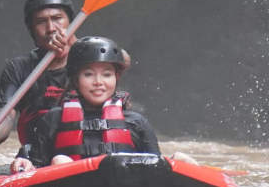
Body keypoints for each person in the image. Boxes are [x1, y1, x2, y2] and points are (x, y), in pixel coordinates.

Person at [11, 36, 159, 173]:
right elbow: (33, 164)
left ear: (116, 78)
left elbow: (158, 167)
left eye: (107, 74)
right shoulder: (53, 120)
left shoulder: (136, 123)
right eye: (88, 74)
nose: (98, 82)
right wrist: (25, 162)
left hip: (123, 185)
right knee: (60, 161)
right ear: (76, 79)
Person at [0, 0, 76, 152]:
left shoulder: (91, 59)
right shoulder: (19, 68)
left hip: (81, 153)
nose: (51, 28)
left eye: (57, 18)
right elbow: (6, 114)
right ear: (32, 31)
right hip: (36, 157)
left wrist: (75, 46)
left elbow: (121, 62)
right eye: (41, 22)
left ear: (72, 22)